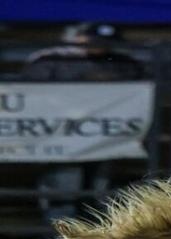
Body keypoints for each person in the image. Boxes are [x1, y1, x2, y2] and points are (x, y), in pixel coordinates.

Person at [21, 23, 146, 223]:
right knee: (64, 183)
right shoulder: (52, 59)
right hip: (61, 134)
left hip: (106, 134)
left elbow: (138, 89)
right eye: (94, 42)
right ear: (79, 38)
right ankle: (62, 233)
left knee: (99, 184)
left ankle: (92, 230)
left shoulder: (122, 62)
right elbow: (33, 92)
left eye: (106, 43)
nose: (100, 47)